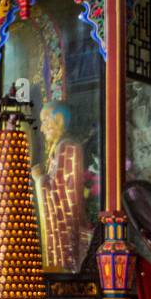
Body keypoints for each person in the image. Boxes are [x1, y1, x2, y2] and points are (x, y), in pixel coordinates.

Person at [31, 103, 93, 272]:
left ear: (58, 120)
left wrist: (38, 179)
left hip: (67, 230)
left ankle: (63, 268)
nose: (42, 129)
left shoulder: (68, 147)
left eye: (45, 121)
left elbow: (62, 195)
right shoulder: (58, 148)